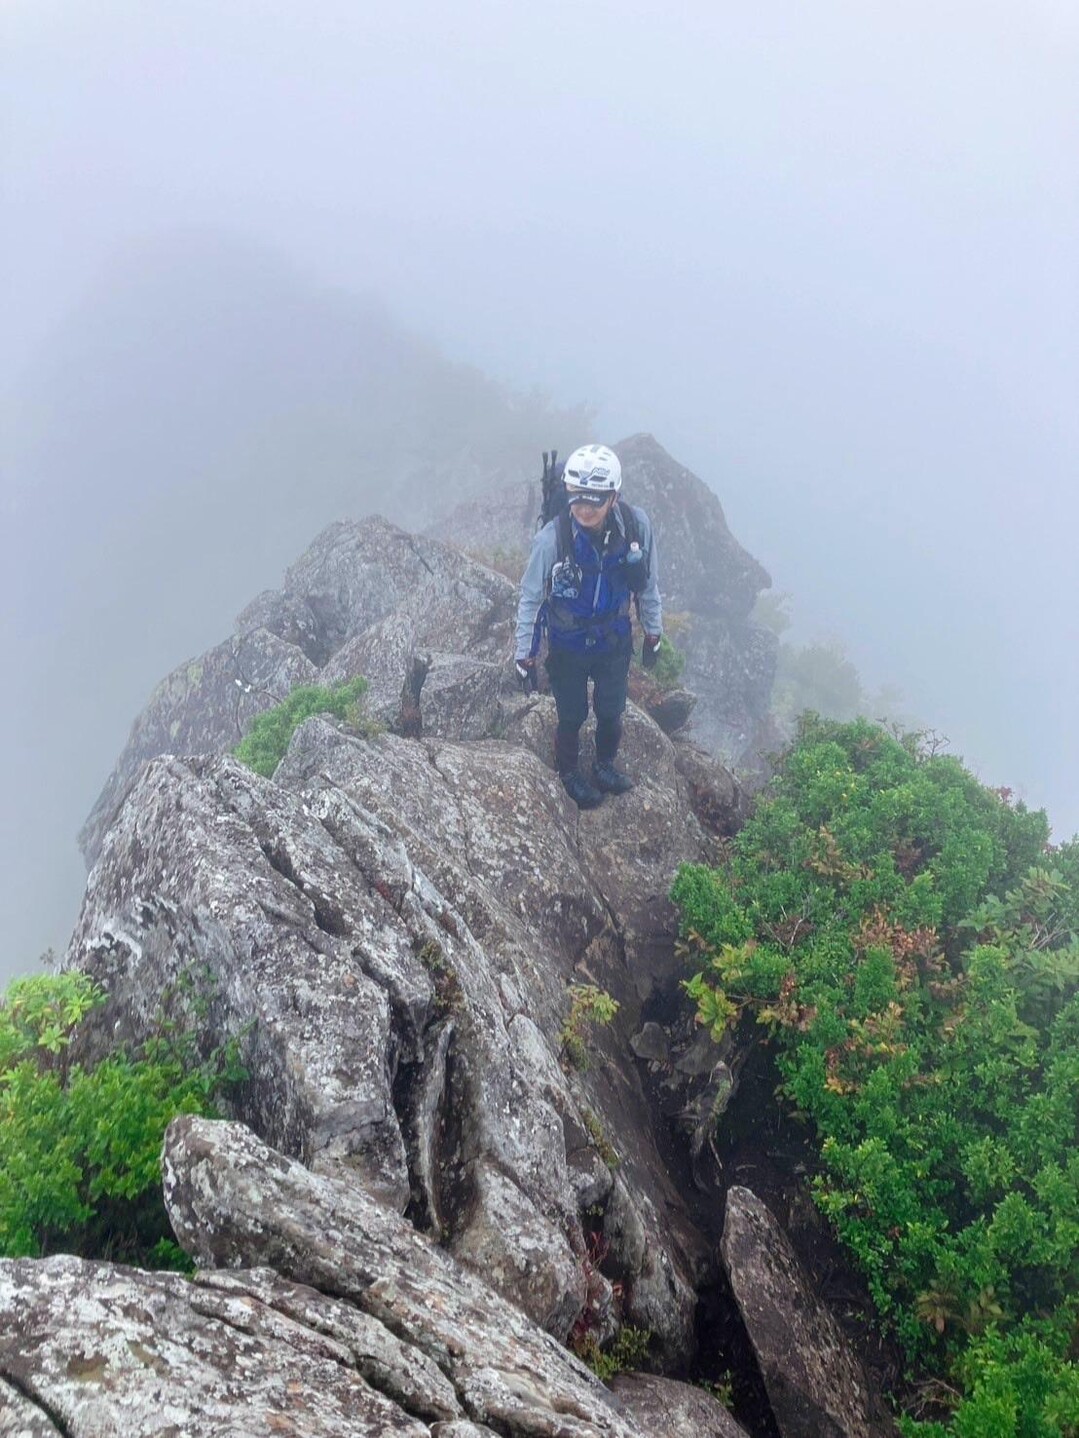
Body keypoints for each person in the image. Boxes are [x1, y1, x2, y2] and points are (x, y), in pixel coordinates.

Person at [514, 443, 663, 808]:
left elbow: (647, 584)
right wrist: (524, 654)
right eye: (576, 497)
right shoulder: (553, 538)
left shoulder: (634, 526)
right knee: (572, 712)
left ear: (613, 497)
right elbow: (531, 597)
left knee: (612, 709)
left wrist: (653, 632)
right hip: (568, 640)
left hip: (613, 636)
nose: (583, 508)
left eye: (593, 500)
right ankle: (569, 773)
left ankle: (604, 765)